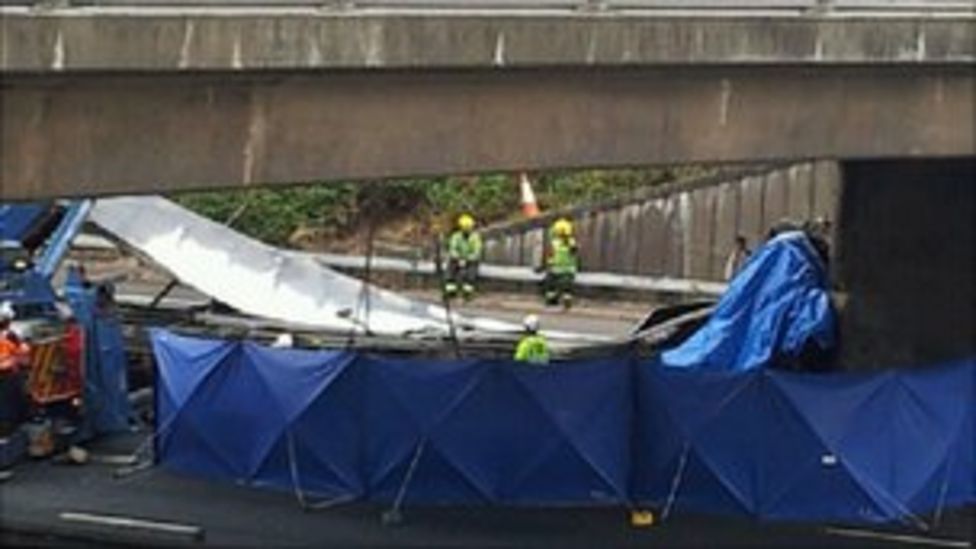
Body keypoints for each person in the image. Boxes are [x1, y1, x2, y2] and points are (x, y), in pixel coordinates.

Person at [444, 214, 483, 302]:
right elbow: (452, 248)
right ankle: (450, 292)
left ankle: (467, 293)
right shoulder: (456, 236)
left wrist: (468, 258)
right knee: (450, 271)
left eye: (468, 227)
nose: (466, 230)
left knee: (471, 275)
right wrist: (458, 257)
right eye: (464, 227)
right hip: (457, 259)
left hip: (470, 260)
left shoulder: (475, 237)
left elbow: (477, 251)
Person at [542, 218, 579, 309]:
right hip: (569, 269)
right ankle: (567, 300)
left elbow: (550, 255)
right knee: (567, 288)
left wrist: (547, 264)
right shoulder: (572, 242)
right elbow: (574, 253)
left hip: (555, 268)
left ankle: (551, 301)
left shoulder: (555, 242)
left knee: (551, 286)